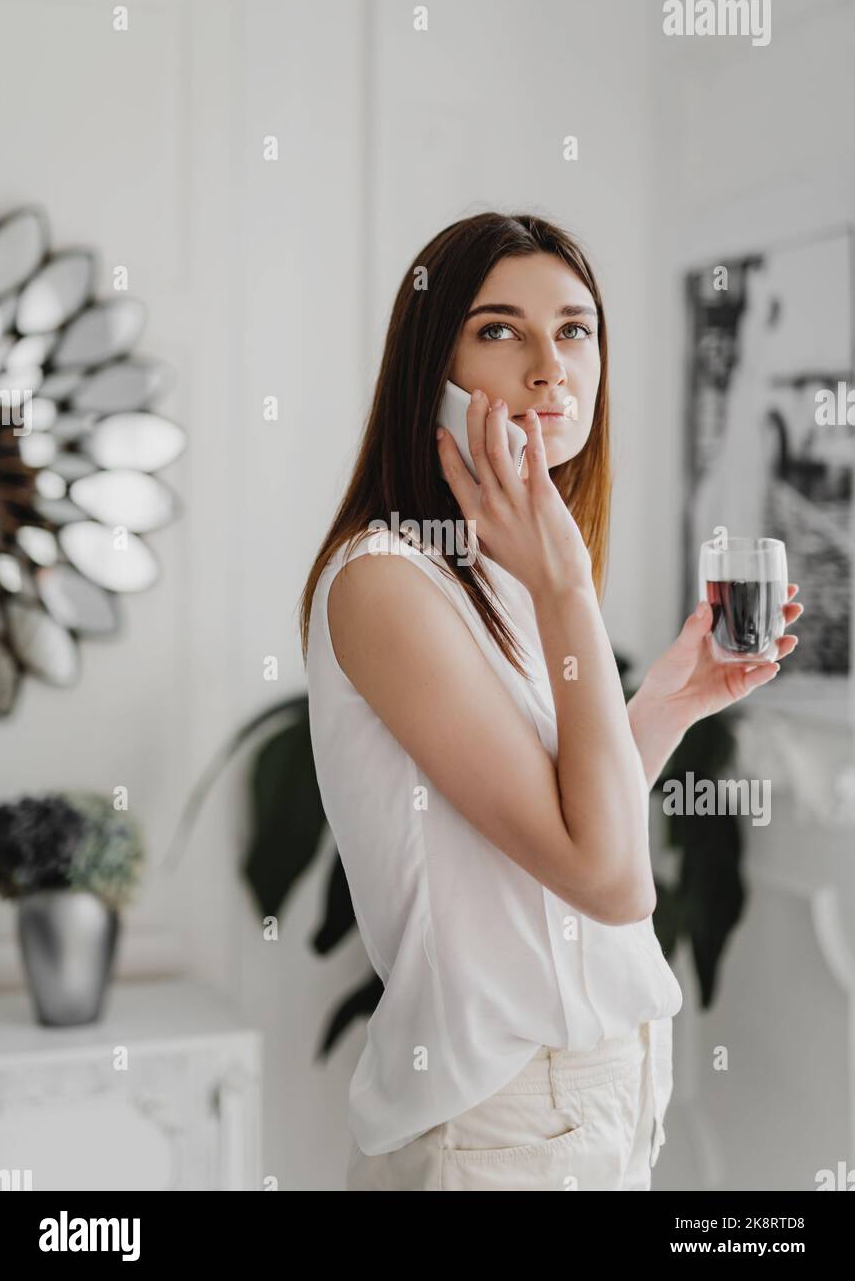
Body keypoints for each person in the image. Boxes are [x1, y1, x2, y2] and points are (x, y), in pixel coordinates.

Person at [299, 211, 802, 1191]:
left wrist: (666, 697)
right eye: (498, 330)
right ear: (430, 369)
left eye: (574, 329)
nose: (548, 367)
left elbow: (562, 829)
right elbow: (610, 878)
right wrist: (567, 589)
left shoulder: (506, 568)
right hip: (500, 1128)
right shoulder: (386, 582)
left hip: (603, 1104)